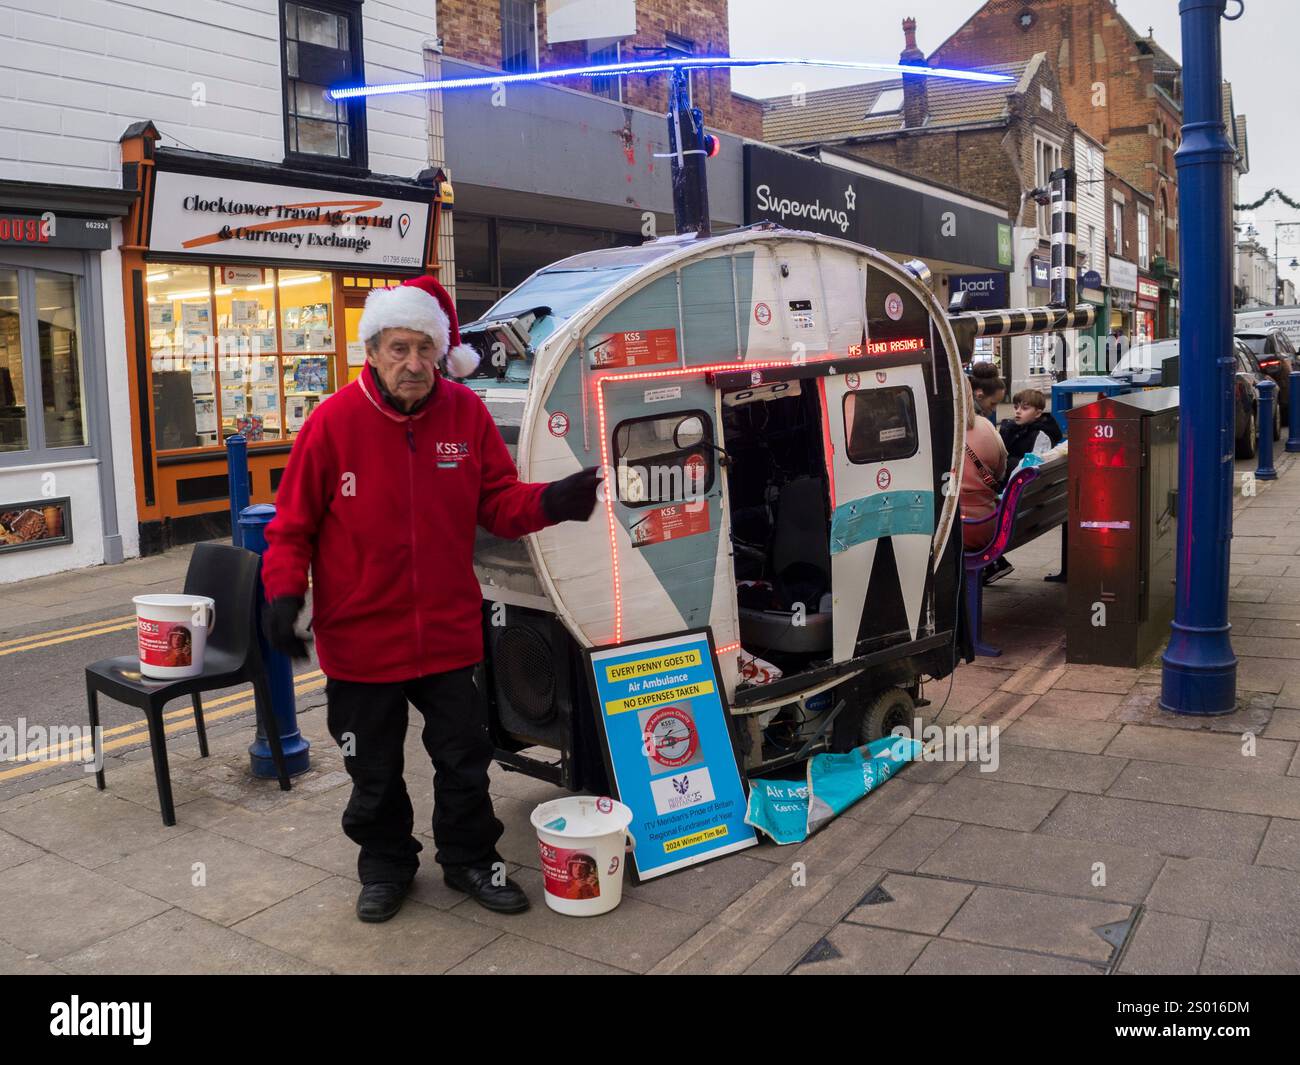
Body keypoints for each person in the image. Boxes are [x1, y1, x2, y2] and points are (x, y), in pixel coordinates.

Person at [261, 274, 601, 924]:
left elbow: (498, 503)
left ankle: (472, 859)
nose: (413, 363)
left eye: (425, 348)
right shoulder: (331, 425)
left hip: (447, 635)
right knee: (374, 771)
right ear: (373, 349)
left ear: (441, 351)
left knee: (465, 761)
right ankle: (386, 866)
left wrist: (553, 500)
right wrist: (281, 596)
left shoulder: (464, 415)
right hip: (360, 643)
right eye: (399, 348)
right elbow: (291, 527)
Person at [960, 373, 1008, 552]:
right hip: (987, 523)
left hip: (957, 526)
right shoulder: (988, 427)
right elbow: (1000, 471)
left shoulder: (939, 430)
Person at [999, 388, 1063, 465]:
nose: (1018, 411)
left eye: (1024, 408)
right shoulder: (1009, 428)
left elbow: (1035, 466)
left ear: (1038, 413)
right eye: (1016, 407)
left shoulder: (1041, 436)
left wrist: (1006, 463)